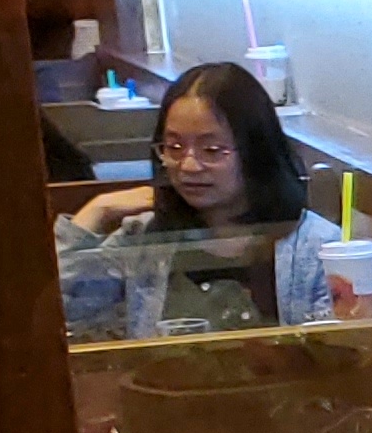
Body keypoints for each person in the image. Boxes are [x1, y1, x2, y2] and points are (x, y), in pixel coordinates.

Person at [57, 61, 345, 338]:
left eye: (212, 150)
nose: (189, 166)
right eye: (174, 147)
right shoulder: (145, 237)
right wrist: (98, 209)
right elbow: (62, 309)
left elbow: (333, 354)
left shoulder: (316, 246)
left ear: (255, 152)